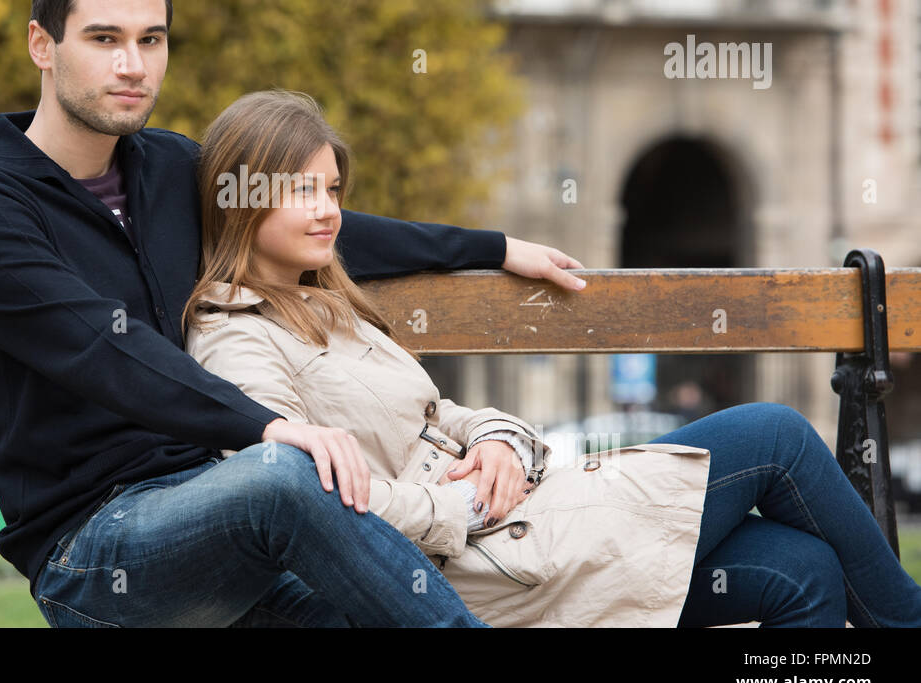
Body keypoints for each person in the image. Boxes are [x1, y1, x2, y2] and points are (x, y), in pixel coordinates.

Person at [0, 0, 588, 627]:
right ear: (42, 44)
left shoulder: (172, 171)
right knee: (287, 475)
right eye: (103, 38)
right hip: (99, 550)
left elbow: (310, 223)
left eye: (152, 40)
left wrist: (492, 245)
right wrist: (269, 427)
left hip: (240, 521)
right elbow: (105, 349)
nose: (132, 65)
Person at [182, 89, 921, 627]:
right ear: (240, 199)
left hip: (524, 515)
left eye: (333, 188)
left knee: (803, 571)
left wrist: (500, 439)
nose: (327, 208)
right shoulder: (231, 337)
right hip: (470, 566)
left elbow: (446, 415)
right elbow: (307, 503)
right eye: (301, 189)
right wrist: (466, 503)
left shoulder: (329, 301)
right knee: (776, 435)